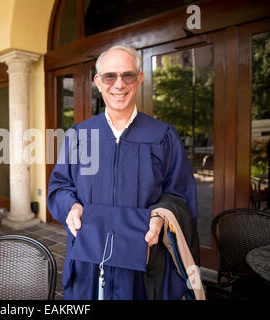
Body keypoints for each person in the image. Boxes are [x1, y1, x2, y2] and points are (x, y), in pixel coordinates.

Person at [47, 45, 200, 300]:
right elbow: (60, 186)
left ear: (139, 78)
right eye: (110, 76)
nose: (119, 84)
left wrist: (160, 219)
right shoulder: (80, 135)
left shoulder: (162, 136)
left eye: (127, 75)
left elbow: (180, 194)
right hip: (89, 262)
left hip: (143, 262)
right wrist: (70, 207)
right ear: (98, 82)